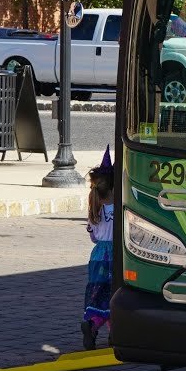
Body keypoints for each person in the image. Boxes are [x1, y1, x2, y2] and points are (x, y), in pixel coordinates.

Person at [81, 146, 116, 351]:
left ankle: (92, 324)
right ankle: (113, 332)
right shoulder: (118, 209)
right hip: (114, 256)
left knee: (97, 293)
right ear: (112, 189)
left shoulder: (94, 209)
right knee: (114, 293)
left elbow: (93, 237)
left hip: (97, 257)